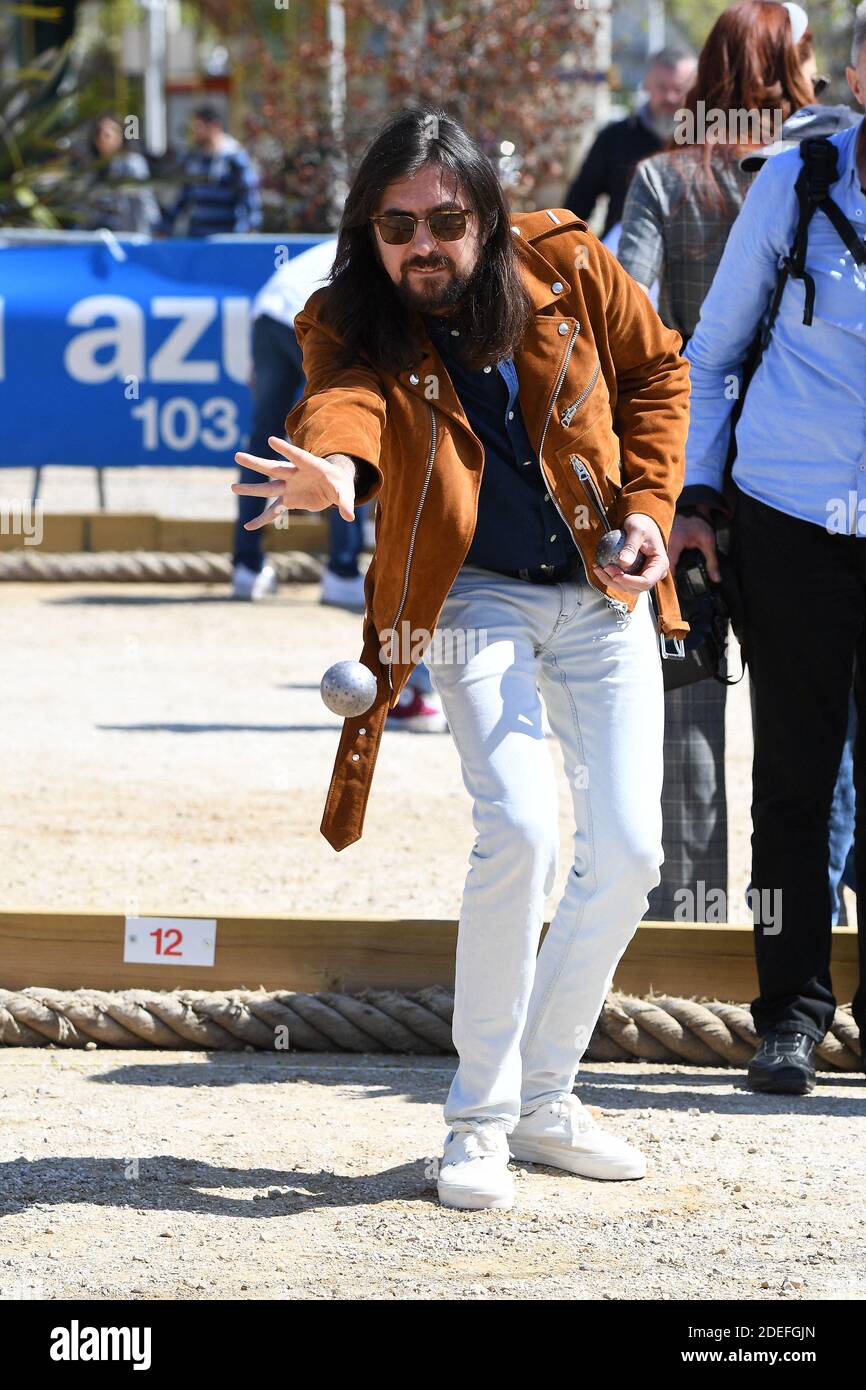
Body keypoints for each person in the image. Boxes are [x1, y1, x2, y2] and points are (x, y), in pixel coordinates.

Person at [231, 107, 691, 1211]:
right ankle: (478, 1121)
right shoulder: (345, 315)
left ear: (483, 214)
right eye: (396, 224)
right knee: (521, 828)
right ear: (369, 227)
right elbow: (339, 403)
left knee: (629, 853)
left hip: (601, 587)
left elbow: (658, 375)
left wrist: (646, 505)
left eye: (444, 219)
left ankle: (545, 1100)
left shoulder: (571, 263)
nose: (421, 244)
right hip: (472, 598)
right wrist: (339, 471)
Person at [671, 1, 866, 1095]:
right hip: (788, 520)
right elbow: (712, 352)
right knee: (792, 778)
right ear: (850, 71)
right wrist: (695, 500)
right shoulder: (792, 185)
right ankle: (785, 1014)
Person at [618, 0, 815, 921]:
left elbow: (629, 320)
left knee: (684, 706)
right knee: (811, 725)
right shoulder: (830, 176)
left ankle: (687, 928)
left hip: (680, 472)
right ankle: (812, 931)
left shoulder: (661, 182)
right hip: (801, 479)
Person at [235, 239, 448, 732]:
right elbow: (344, 395)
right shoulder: (386, 271)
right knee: (333, 457)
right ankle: (342, 571)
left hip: (268, 312)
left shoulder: (390, 255)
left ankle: (248, 568)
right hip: (291, 317)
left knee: (280, 447)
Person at [563, 47, 697, 239]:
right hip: (622, 259)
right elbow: (577, 207)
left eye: (679, 89)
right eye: (662, 88)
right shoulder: (614, 138)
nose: (670, 98)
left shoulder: (706, 143)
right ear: (647, 84)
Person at [161, 104, 262, 238]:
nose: (195, 132)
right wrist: (165, 226)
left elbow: (249, 195)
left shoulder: (234, 158)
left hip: (227, 239)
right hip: (199, 238)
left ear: (214, 126)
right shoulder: (194, 159)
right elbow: (184, 197)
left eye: (199, 126)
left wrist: (251, 228)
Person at [81, 114, 161, 235]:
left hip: (128, 238)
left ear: (120, 137)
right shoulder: (90, 169)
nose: (103, 138)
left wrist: (150, 233)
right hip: (97, 238)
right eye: (100, 134)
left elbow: (145, 202)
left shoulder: (132, 164)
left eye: (108, 134)